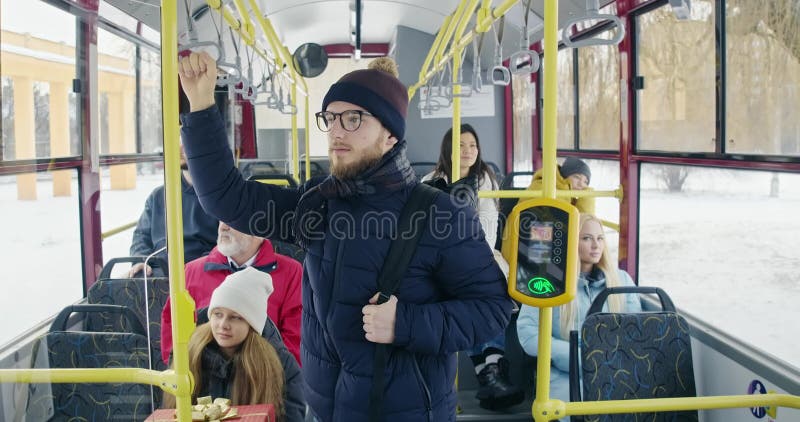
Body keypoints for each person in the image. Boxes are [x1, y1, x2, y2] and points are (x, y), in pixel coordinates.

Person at [178, 51, 512, 421]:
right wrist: (201, 105)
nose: (336, 131)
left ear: (389, 134)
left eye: (353, 119)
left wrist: (406, 323)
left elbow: (492, 310)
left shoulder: (441, 215)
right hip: (323, 409)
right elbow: (228, 198)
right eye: (330, 118)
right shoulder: (319, 204)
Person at [422, 124, 523, 410]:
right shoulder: (431, 181)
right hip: (443, 256)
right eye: (461, 145)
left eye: (472, 145)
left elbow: (487, 230)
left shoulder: (486, 181)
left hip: (482, 253)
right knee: (462, 294)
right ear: (448, 149)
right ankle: (489, 373)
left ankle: (490, 369)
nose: (467, 151)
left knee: (488, 289)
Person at [516, 214, 642, 412]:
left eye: (600, 238)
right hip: (564, 373)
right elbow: (528, 331)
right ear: (571, 241)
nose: (595, 245)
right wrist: (572, 356)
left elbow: (636, 330)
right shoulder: (547, 281)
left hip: (613, 370)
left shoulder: (622, 280)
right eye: (586, 238)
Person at [161, 267, 306, 422]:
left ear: (252, 324)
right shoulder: (188, 352)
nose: (223, 324)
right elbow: (171, 410)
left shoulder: (282, 364)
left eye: (235, 317)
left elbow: (291, 416)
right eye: (217, 314)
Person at [160, 222, 303, 365]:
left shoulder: (291, 272)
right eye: (221, 220)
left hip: (261, 377)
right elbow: (173, 327)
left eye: (231, 220)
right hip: (203, 377)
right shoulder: (191, 271)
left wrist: (267, 376)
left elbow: (296, 339)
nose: (223, 227)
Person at [128, 150, 218, 277]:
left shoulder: (220, 197)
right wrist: (140, 260)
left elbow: (226, 247)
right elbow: (141, 236)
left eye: (185, 140)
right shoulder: (159, 196)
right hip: (157, 270)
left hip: (202, 271)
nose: (179, 148)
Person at [526, 157, 595, 215]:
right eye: (577, 177)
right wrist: (588, 196)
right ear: (564, 175)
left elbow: (583, 223)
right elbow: (563, 220)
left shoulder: (570, 196)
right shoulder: (543, 185)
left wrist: (587, 196)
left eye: (585, 182)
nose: (581, 184)